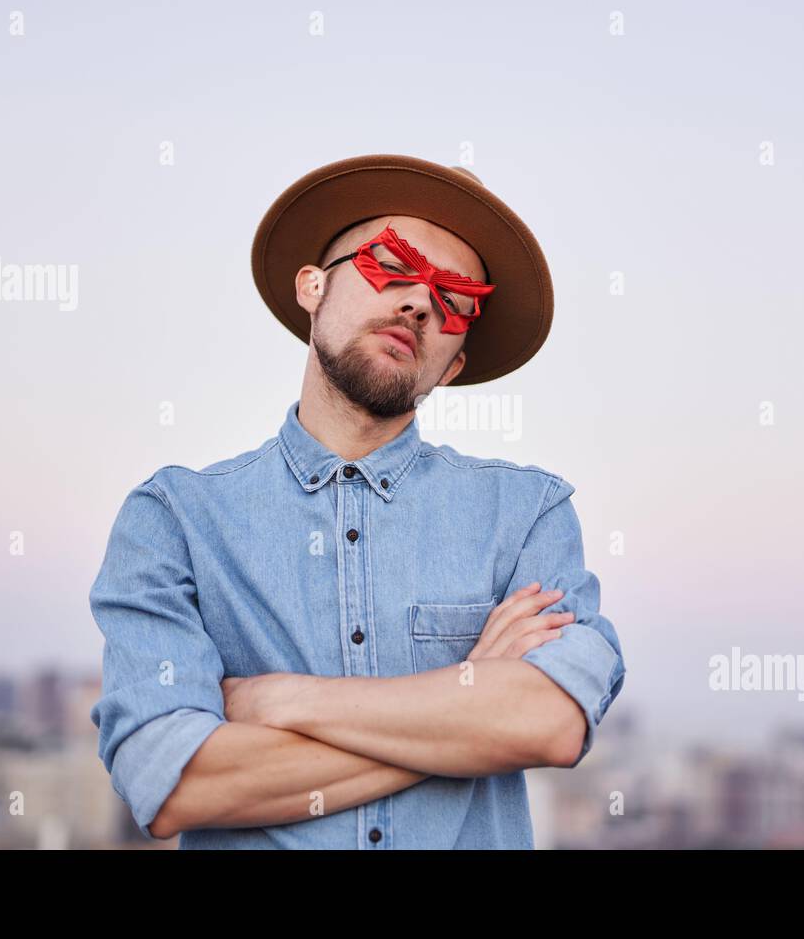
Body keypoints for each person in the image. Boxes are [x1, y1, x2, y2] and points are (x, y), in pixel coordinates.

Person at [89, 154, 627, 848]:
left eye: (455, 299)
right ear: (312, 286)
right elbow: (174, 784)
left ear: (455, 363)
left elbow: (547, 723)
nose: (420, 303)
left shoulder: (527, 514)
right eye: (390, 265)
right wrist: (468, 700)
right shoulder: (175, 519)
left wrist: (277, 701)